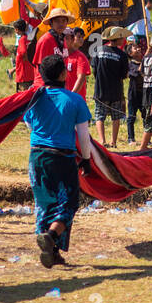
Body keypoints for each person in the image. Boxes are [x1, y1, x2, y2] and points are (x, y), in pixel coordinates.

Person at [25, 54, 93, 269]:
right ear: (64, 74)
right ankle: (52, 236)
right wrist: (87, 160)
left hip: (37, 157)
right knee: (69, 203)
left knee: (45, 204)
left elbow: (30, 125)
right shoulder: (74, 100)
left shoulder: (34, 98)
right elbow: (83, 136)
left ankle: (52, 253)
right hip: (63, 158)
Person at [92, 26, 129, 147]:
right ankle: (113, 141)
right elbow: (124, 75)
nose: (123, 39)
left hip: (100, 90)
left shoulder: (98, 50)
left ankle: (102, 141)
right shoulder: (122, 55)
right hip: (115, 91)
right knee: (116, 117)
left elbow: (95, 70)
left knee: (99, 116)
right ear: (117, 38)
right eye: (122, 36)